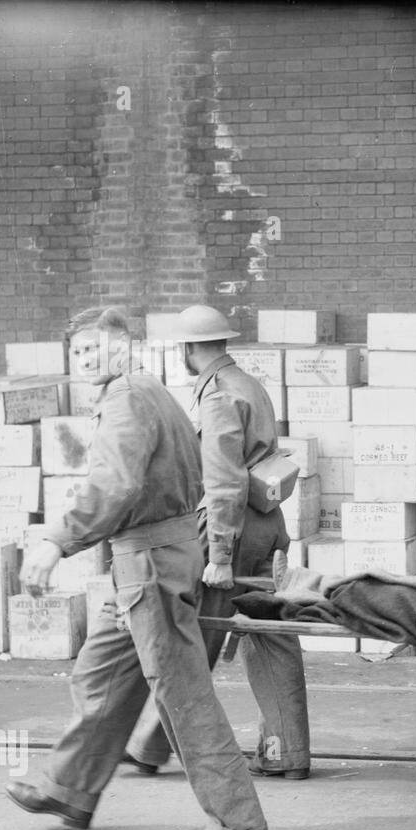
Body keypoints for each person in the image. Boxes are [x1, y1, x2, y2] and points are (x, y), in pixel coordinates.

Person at [8, 305, 269, 830]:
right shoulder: (146, 388)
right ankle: (69, 787)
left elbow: (116, 485)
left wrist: (57, 541)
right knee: (101, 671)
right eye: (76, 350)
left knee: (182, 692)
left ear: (122, 348)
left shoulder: (127, 397)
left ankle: (237, 820)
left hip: (150, 564)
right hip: (149, 559)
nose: (84, 360)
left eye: (94, 348)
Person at [122, 304, 311, 780]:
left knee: (192, 636)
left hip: (231, 529)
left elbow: (224, 480)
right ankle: (287, 752)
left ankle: (154, 746)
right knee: (268, 637)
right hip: (267, 525)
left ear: (188, 348)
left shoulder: (219, 397)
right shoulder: (249, 384)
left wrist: (220, 556)